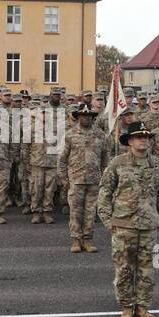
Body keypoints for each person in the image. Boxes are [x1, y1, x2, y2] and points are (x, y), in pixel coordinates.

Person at [98, 120, 159, 317]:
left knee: (147, 268)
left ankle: (143, 306)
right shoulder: (117, 163)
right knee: (124, 268)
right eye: (139, 137)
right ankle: (127, 307)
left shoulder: (157, 164)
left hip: (148, 225)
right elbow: (104, 192)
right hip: (123, 224)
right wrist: (107, 219)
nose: (144, 140)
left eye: (147, 137)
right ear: (129, 141)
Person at [57, 104, 110, 252]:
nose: (86, 118)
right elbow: (62, 158)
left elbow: (105, 159)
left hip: (94, 180)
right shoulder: (69, 135)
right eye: (82, 115)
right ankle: (75, 240)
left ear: (93, 118)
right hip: (76, 179)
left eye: (88, 116)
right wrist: (63, 178)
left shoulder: (100, 135)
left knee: (90, 211)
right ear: (78, 117)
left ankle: (87, 239)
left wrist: (105, 177)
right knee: (75, 211)